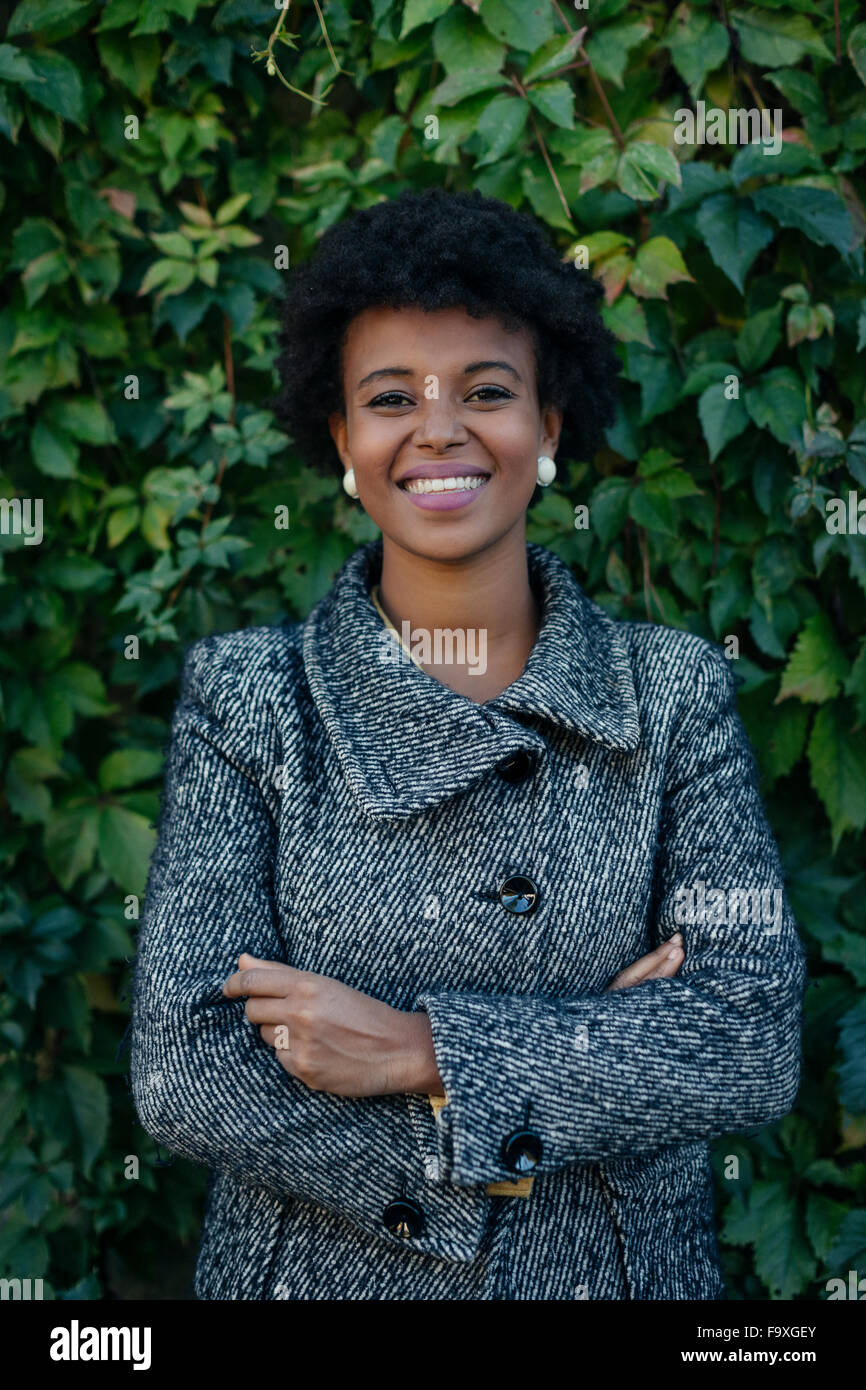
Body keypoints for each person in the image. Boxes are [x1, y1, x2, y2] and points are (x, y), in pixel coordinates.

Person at [130, 188, 806, 1301]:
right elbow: (187, 1068)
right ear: (343, 439)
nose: (438, 429)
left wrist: (423, 1052)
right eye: (391, 398)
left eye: (485, 392)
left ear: (545, 426)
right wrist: (585, 1067)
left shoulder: (670, 690)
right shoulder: (249, 698)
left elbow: (745, 1038)